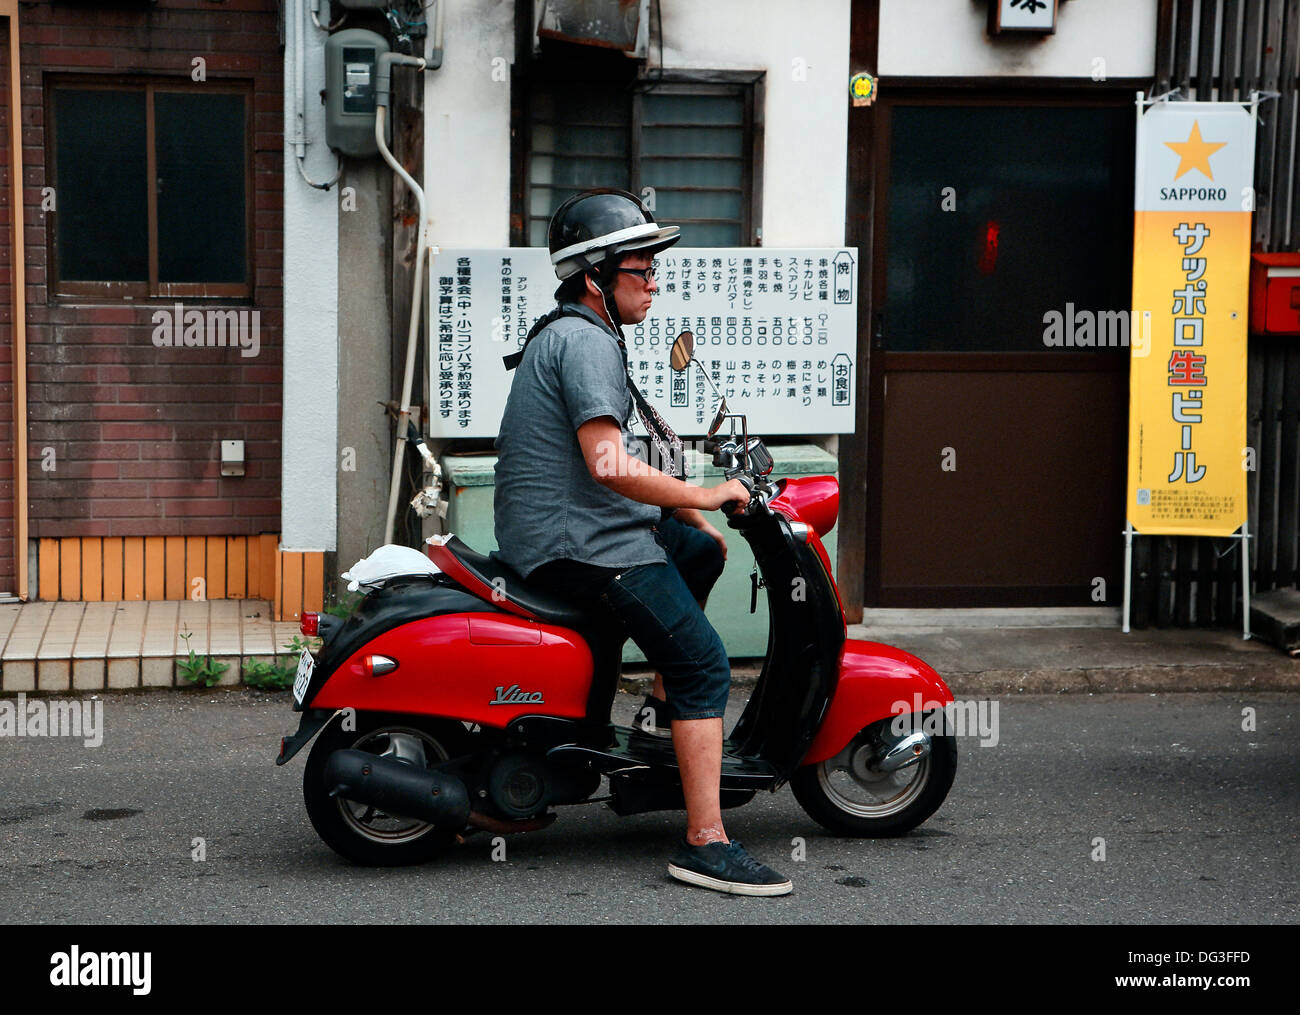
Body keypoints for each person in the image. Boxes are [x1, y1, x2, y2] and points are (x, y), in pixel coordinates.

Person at [492, 189, 792, 896]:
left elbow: (625, 455)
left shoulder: (581, 332)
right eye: (641, 269)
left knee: (700, 551)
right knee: (706, 666)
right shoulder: (585, 342)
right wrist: (703, 493)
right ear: (596, 275)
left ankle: (661, 718)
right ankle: (707, 841)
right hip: (582, 544)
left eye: (656, 270)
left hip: (579, 529)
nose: (655, 282)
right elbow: (606, 462)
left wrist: (692, 519)